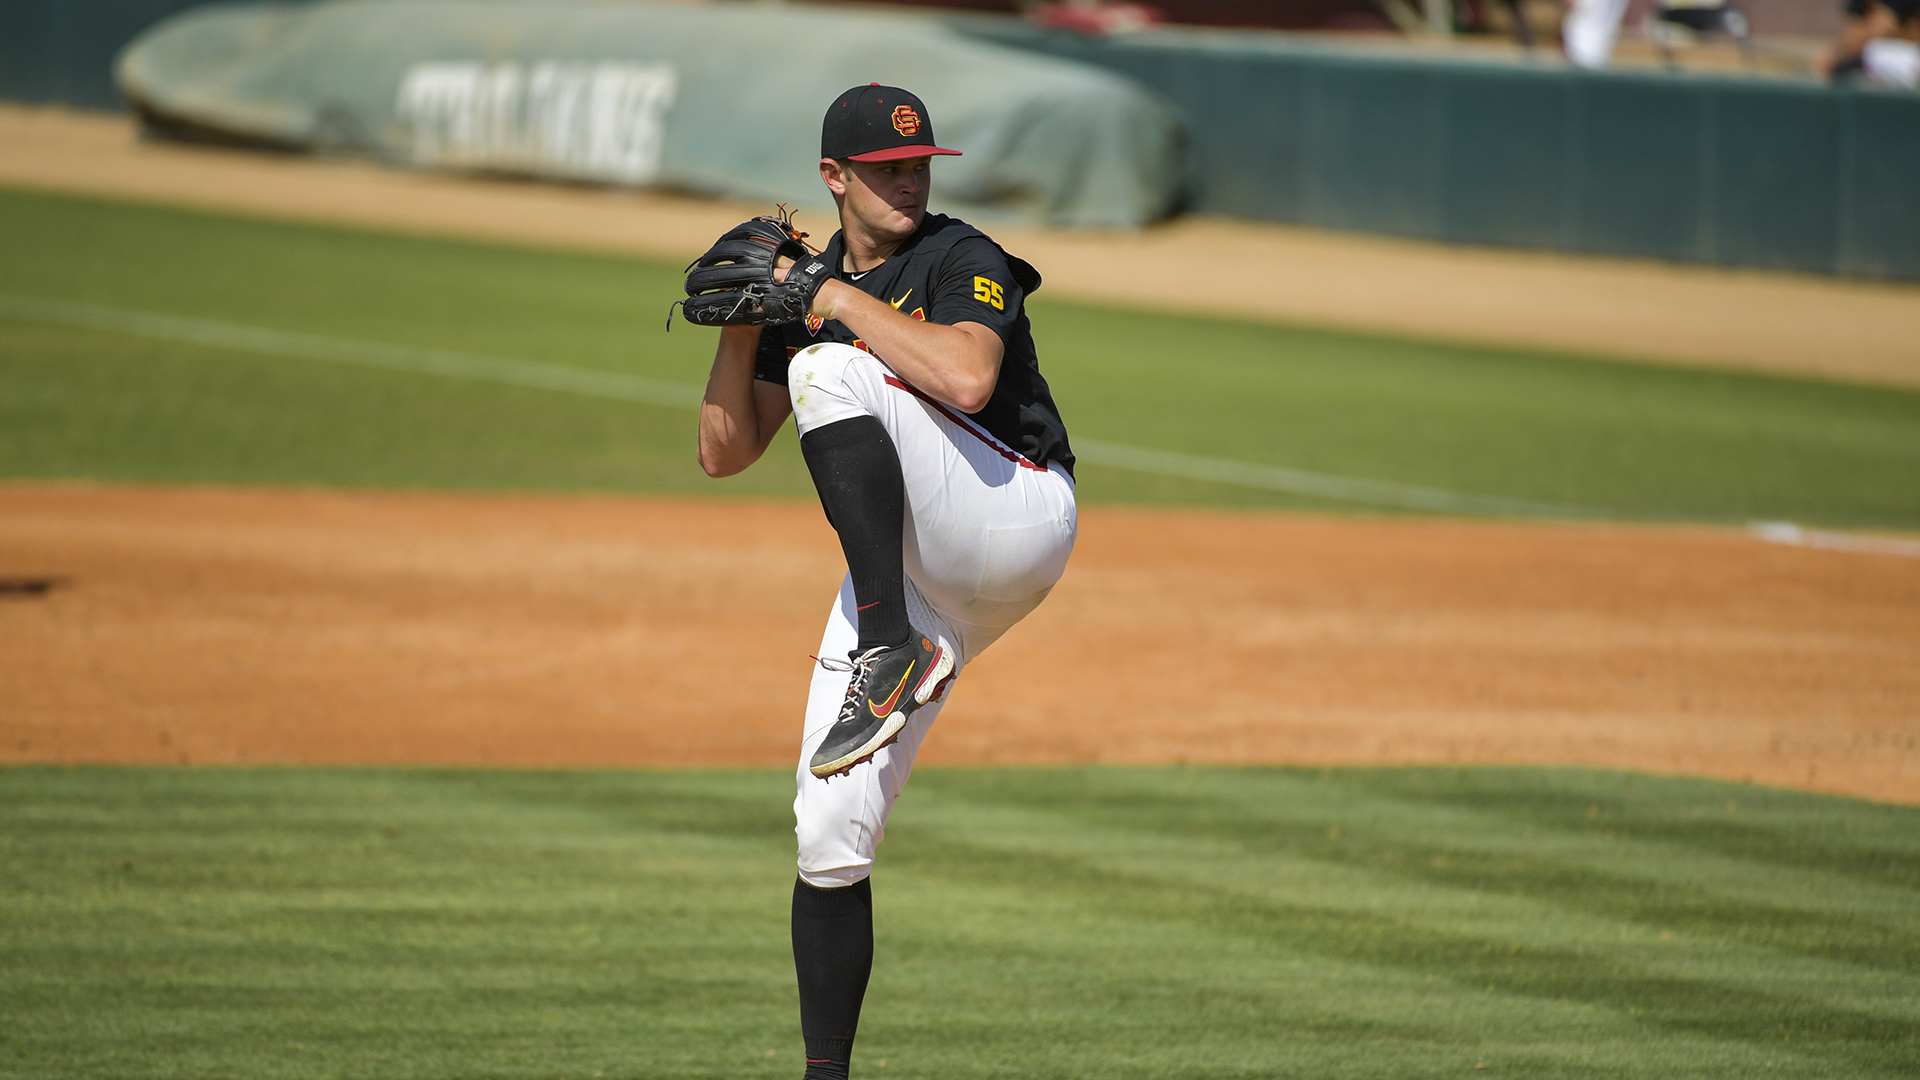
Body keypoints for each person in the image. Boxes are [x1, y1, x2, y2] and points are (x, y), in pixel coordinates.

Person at [693, 83, 1078, 1080]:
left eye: (920, 165)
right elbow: (724, 452)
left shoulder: (961, 258)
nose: (909, 180)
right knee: (826, 835)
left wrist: (825, 302)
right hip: (917, 572)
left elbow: (967, 381)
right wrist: (745, 325)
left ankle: (884, 647)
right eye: (886, 169)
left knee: (830, 371)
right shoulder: (807, 287)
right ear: (835, 179)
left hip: (1013, 509)